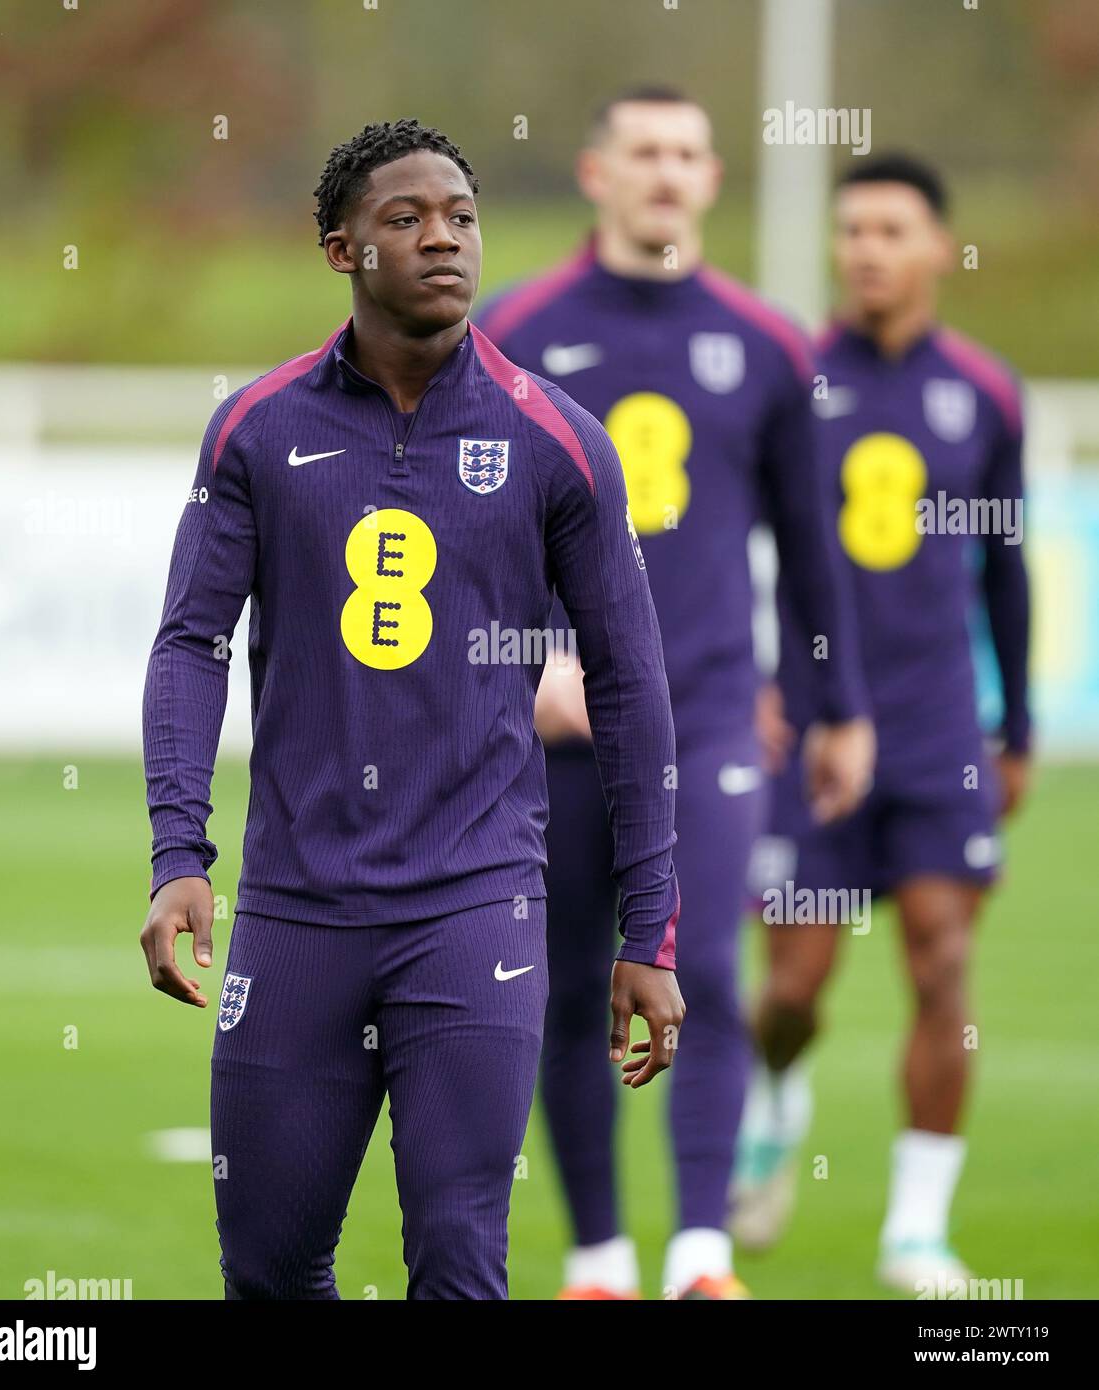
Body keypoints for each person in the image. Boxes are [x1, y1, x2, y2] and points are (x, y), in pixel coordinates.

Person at [138, 117, 684, 1301]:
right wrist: (178, 850)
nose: (443, 239)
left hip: (476, 904)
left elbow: (631, 687)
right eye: (406, 219)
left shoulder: (558, 443)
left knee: (455, 1257)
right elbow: (190, 639)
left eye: (461, 218)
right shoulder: (258, 425)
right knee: (271, 1272)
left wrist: (650, 930)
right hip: (293, 912)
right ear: (341, 250)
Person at [478, 88, 873, 1300]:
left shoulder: (765, 342)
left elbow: (809, 546)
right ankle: (598, 1259)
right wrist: (522, 661)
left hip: (704, 712)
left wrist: (838, 706)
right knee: (568, 977)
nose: (663, 172)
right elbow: (463, 533)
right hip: (552, 726)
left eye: (686, 155)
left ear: (711, 179)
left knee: (692, 951)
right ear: (595, 172)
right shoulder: (514, 328)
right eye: (641, 152)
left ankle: (700, 1253)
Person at [735, 155, 1032, 1295]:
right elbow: (723, 540)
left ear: (931, 248)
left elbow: (1002, 571)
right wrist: (751, 687)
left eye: (887, 229)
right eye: (848, 228)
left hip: (936, 736)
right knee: (793, 991)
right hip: (809, 735)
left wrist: (1012, 731)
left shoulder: (986, 393)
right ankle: (773, 1095)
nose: (863, 248)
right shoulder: (787, 377)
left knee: (941, 961)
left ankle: (915, 1231)